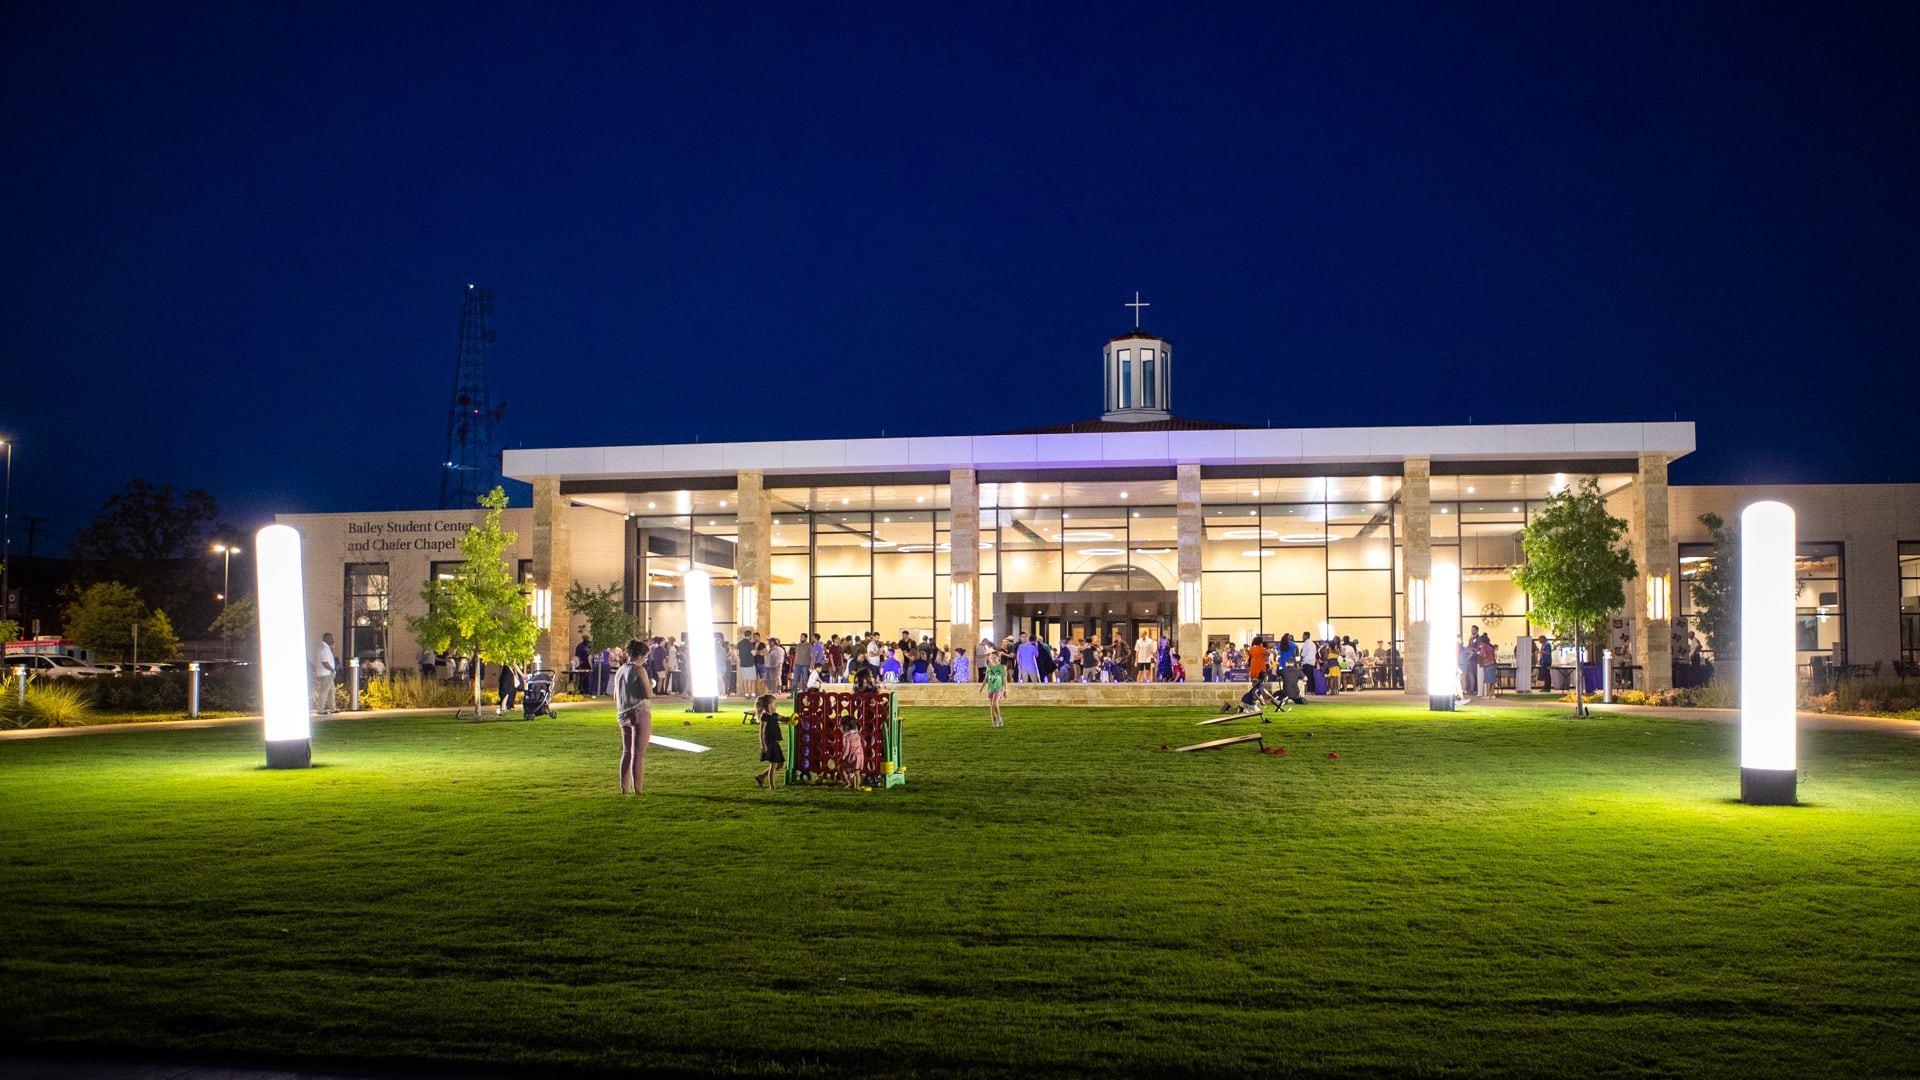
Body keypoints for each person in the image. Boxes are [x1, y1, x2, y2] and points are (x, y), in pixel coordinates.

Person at [613, 639, 652, 794]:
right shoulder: (638, 670)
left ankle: (624, 788)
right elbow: (648, 694)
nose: (646, 660)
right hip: (639, 711)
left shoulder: (620, 670)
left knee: (627, 752)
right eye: (645, 657)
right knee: (638, 753)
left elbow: (616, 696)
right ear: (640, 656)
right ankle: (638, 789)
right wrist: (651, 684)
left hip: (623, 713)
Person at [754, 693, 784, 790]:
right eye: (775, 704)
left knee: (780, 764)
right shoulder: (765, 716)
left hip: (775, 742)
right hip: (770, 743)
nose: (776, 706)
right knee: (774, 764)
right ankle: (772, 786)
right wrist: (763, 745)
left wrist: (795, 717)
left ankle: (761, 777)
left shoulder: (775, 715)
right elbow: (762, 732)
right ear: (769, 705)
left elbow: (784, 718)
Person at [839, 712, 867, 790]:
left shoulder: (846, 737)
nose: (839, 728)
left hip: (851, 756)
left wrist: (843, 757)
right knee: (857, 772)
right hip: (859, 756)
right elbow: (864, 743)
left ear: (846, 727)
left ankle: (846, 782)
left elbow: (846, 749)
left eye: (840, 726)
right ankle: (857, 787)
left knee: (841, 767)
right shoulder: (858, 734)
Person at [981, 650, 1008, 727]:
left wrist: (1005, 690)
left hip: (998, 688)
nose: (993, 659)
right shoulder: (989, 667)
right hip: (990, 688)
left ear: (998, 658)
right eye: (991, 658)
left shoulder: (1002, 667)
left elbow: (1005, 680)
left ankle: (999, 718)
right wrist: (981, 688)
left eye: (994, 658)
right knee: (992, 706)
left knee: (994, 703)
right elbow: (986, 679)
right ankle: (994, 722)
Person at [312, 632, 337, 714]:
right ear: (326, 638)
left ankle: (333, 708)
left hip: (326, 673)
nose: (332, 640)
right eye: (331, 638)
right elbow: (325, 662)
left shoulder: (324, 647)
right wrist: (332, 670)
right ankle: (320, 709)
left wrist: (332, 648)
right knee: (324, 691)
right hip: (327, 673)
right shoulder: (324, 648)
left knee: (331, 691)